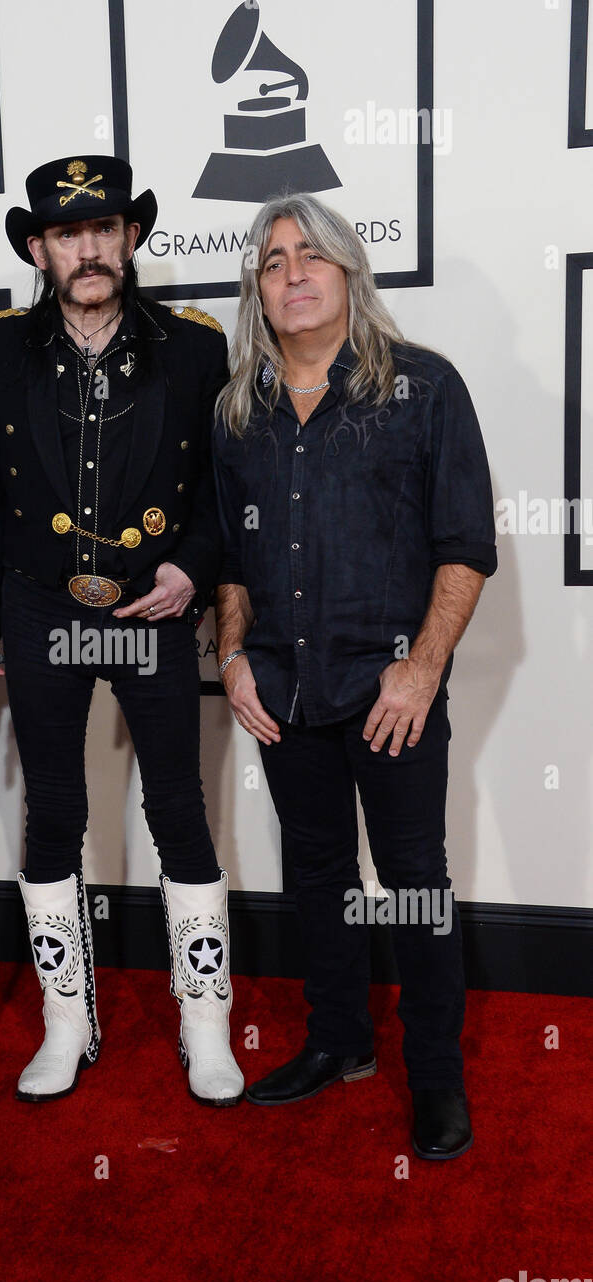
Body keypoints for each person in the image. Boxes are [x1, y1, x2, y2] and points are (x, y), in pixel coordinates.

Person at [0, 155, 244, 1106]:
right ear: (39, 249)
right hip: (38, 606)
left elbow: (219, 496)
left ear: (131, 239)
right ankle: (65, 1021)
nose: (89, 249)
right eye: (69, 234)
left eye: (105, 230)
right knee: (56, 811)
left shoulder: (195, 348)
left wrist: (188, 571)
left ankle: (204, 1022)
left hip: (148, 610)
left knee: (176, 808)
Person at [213, 192, 496, 1159]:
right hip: (284, 693)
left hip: (390, 697)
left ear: (346, 274)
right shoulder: (236, 410)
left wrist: (419, 673)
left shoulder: (423, 387)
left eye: (310, 256)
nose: (290, 272)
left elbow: (464, 548)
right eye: (272, 259)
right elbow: (229, 562)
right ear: (256, 286)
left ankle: (436, 1079)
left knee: (415, 882)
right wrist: (230, 657)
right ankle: (337, 1043)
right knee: (318, 877)